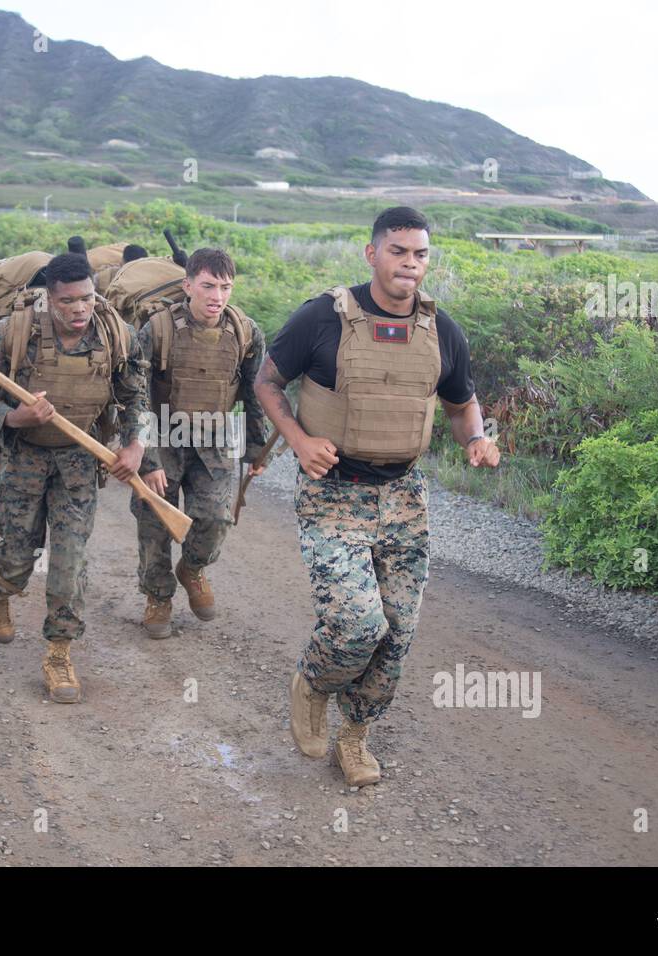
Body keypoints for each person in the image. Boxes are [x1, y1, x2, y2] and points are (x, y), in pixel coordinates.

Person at [254, 206, 501, 787]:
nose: (409, 265)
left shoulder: (443, 331)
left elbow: (462, 401)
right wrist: (298, 439)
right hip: (333, 491)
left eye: (419, 254)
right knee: (356, 623)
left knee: (396, 632)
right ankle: (313, 682)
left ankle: (355, 735)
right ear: (372, 254)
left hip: (403, 495)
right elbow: (266, 380)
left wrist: (477, 437)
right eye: (398, 252)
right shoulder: (323, 317)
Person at [0, 253, 148, 703]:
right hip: (23, 458)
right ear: (50, 299)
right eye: (68, 301)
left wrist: (136, 444)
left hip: (80, 463)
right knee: (18, 555)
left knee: (69, 562)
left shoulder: (115, 334)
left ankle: (59, 653)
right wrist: (15, 417)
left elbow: (135, 394)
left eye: (87, 298)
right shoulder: (11, 333)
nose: (79, 309)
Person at [131, 248, 268, 637]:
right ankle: (158, 597)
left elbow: (255, 392)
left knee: (215, 518)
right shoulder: (156, 330)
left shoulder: (245, 331)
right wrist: (146, 457)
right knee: (155, 523)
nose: (217, 296)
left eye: (225, 287)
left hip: (216, 441)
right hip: (162, 439)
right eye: (208, 286)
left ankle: (191, 568)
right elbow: (134, 396)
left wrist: (256, 448)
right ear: (188, 285)